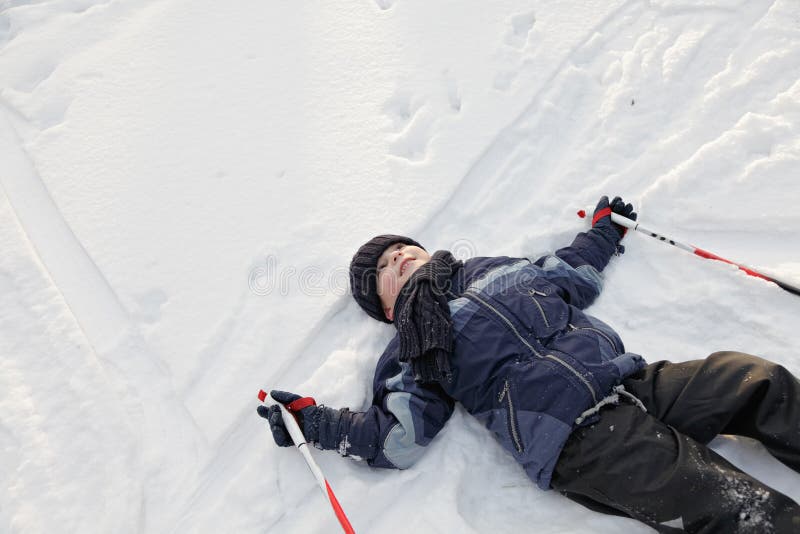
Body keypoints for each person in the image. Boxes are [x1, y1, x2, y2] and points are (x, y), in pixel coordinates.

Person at [257, 196, 800, 533]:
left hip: (632, 382)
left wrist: (604, 233)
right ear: (386, 307)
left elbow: (568, 275)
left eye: (400, 249)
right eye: (383, 270)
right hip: (577, 436)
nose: (396, 258)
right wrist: (315, 424)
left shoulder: (493, 269)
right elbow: (397, 440)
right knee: (718, 496)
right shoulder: (413, 346)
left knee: (751, 378)